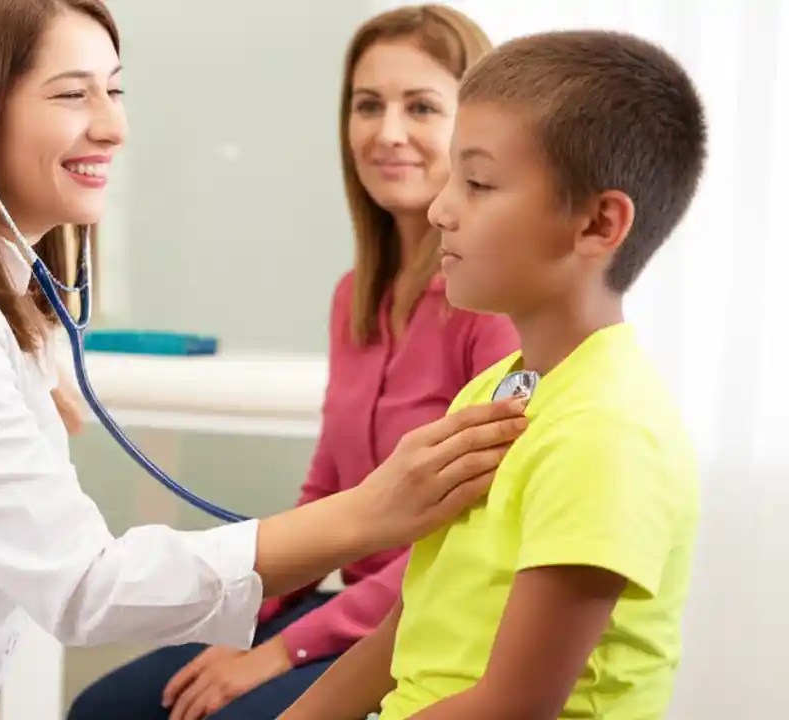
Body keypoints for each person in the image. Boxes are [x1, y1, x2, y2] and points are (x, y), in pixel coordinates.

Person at [0, 2, 528, 718]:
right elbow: (84, 585)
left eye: (115, 92)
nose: (113, 125)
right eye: (74, 94)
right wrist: (369, 516)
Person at [69, 6, 518, 719]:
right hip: (344, 614)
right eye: (367, 105)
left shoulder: (494, 307)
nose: (387, 132)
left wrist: (283, 649)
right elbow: (327, 496)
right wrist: (242, 617)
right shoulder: (354, 298)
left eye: (421, 107)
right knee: (107, 708)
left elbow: (463, 547)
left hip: (426, 627)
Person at [283, 28, 705, 720]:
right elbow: (406, 631)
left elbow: (512, 704)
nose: (443, 208)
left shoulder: (605, 434)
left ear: (599, 224)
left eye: (477, 184)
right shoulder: (497, 391)